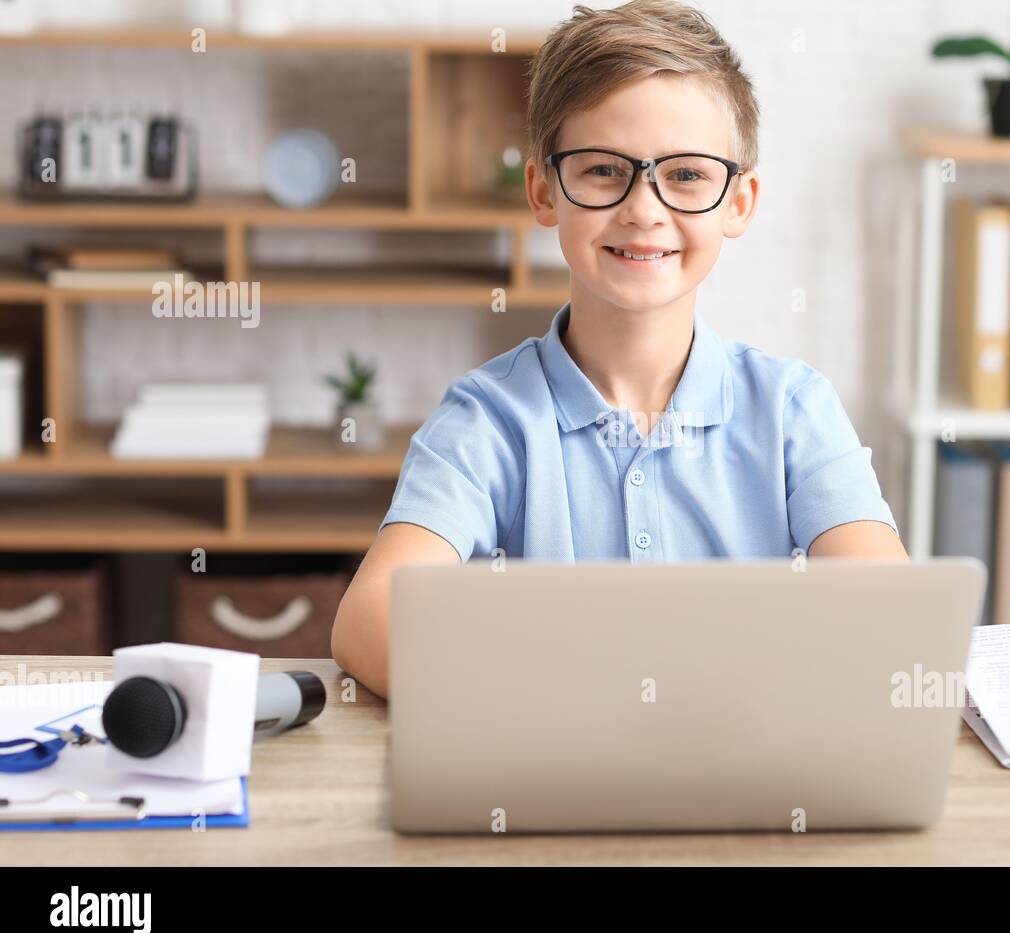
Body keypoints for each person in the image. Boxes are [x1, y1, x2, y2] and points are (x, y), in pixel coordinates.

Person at [333, 1, 906, 698]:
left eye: (687, 174)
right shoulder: (486, 419)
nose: (644, 209)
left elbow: (889, 622)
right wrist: (580, 699)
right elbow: (367, 623)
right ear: (545, 192)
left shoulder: (793, 409)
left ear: (740, 202)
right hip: (548, 783)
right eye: (604, 170)